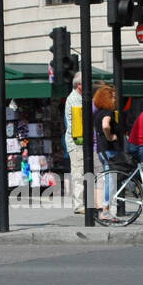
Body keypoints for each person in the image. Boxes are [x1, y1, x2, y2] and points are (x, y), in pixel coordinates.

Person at [93, 84, 121, 211]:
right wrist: (110, 136)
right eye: (113, 97)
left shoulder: (97, 113)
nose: (115, 100)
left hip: (101, 149)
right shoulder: (108, 113)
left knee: (108, 177)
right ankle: (106, 207)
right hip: (109, 148)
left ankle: (107, 206)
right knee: (111, 179)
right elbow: (105, 125)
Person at [63, 77, 85, 214]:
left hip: (78, 140)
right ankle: (79, 204)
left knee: (81, 171)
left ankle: (82, 202)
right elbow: (79, 120)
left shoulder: (77, 97)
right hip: (77, 141)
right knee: (78, 172)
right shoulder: (75, 99)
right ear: (79, 85)